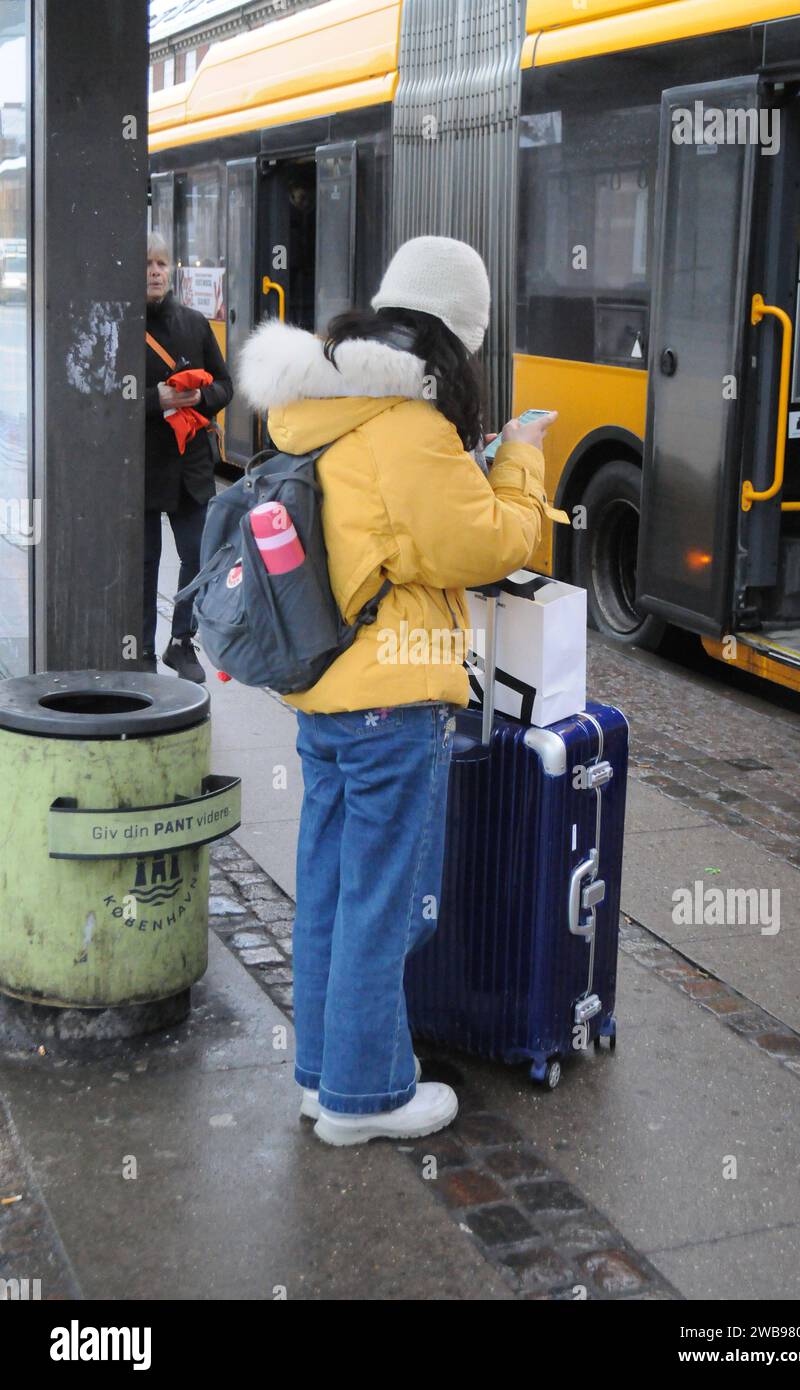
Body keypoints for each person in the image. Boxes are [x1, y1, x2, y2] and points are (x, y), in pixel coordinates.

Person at [238, 236, 559, 1146]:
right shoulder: (410, 426)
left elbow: (392, 527)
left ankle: (321, 1076)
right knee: (386, 902)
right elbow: (489, 547)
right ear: (455, 334)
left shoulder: (325, 408)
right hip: (392, 699)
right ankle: (366, 1096)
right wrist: (520, 459)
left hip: (325, 688)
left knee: (334, 890)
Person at [144, 232, 233, 681]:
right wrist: (152, 401)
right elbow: (100, 403)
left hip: (189, 467)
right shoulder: (121, 327)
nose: (156, 272)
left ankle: (181, 641)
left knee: (197, 557)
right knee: (144, 563)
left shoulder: (194, 324)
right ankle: (141, 649)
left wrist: (199, 397)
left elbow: (225, 385)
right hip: (141, 468)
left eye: (161, 264)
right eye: (146, 265)